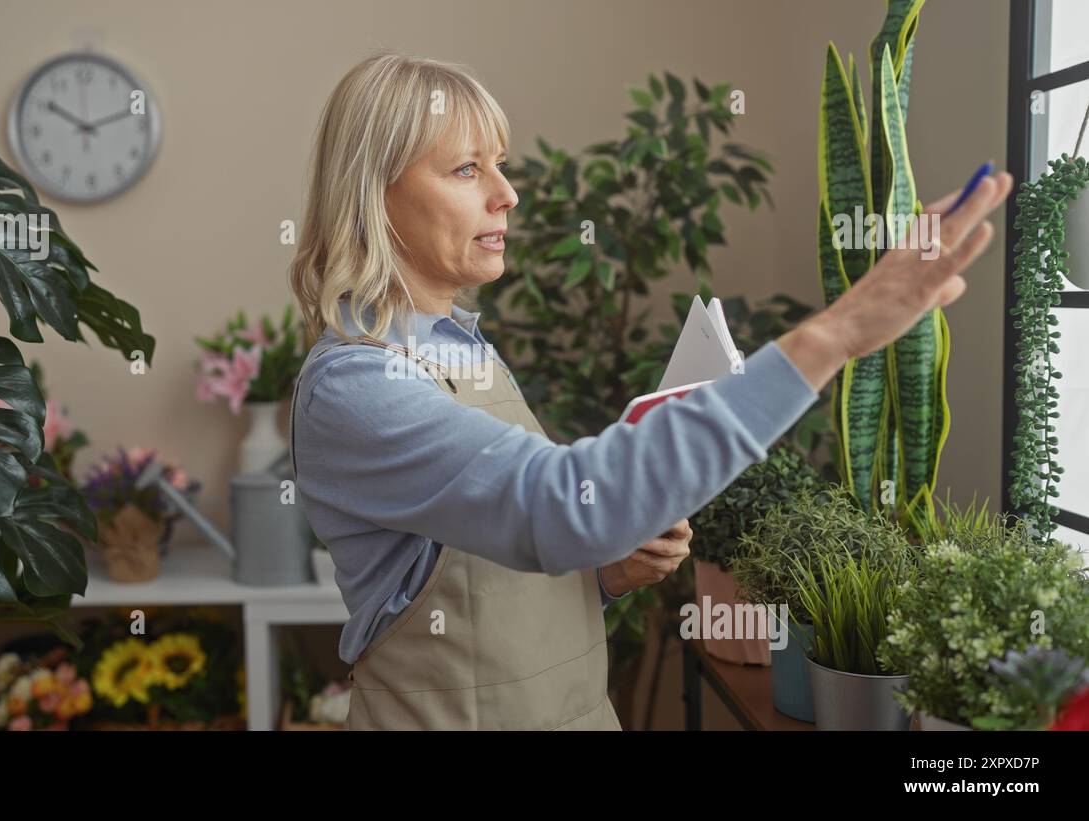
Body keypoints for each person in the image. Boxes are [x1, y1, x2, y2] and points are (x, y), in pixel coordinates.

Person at [287, 53, 1013, 730]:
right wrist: (833, 336)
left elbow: (495, 561)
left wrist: (604, 573)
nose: (507, 194)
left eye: (500, 167)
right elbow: (558, 503)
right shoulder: (357, 383)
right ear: (374, 195)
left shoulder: (463, 348)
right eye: (467, 169)